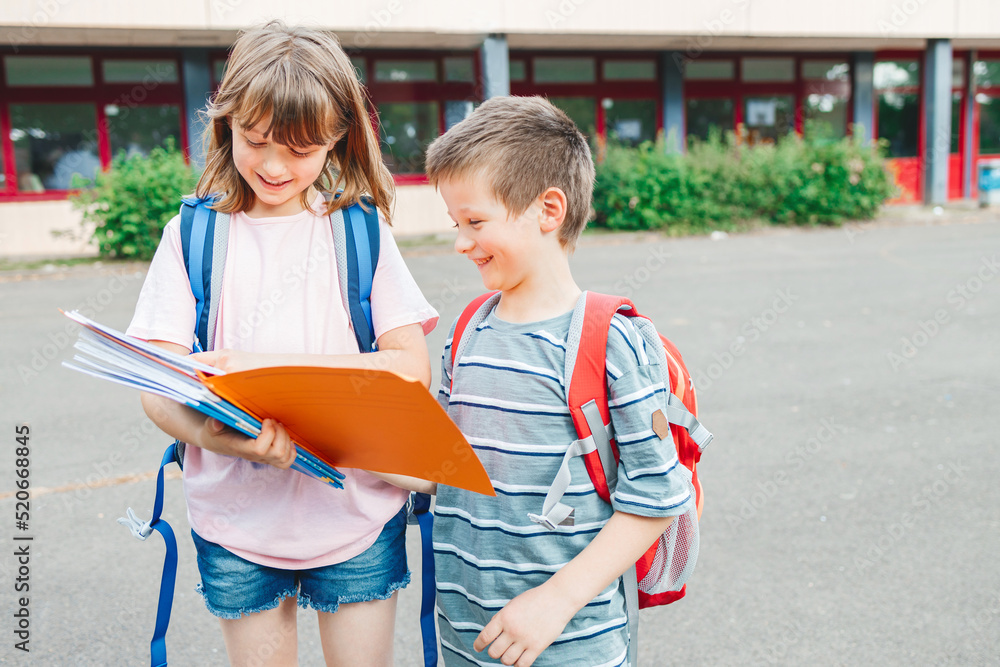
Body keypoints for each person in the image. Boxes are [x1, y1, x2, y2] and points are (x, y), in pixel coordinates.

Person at [127, 21, 438, 667]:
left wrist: (268, 366)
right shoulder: (191, 236)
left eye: (299, 148)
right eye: (256, 139)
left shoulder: (360, 231)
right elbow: (157, 385)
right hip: (235, 523)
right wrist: (226, 439)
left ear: (338, 138)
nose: (272, 165)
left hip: (356, 514)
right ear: (227, 122)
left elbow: (411, 369)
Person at [383, 96, 699, 666]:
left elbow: (656, 499)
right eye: (457, 224)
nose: (460, 242)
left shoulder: (610, 342)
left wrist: (554, 601)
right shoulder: (469, 331)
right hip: (466, 636)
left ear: (548, 209)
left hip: (570, 644)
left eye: (475, 222)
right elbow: (453, 468)